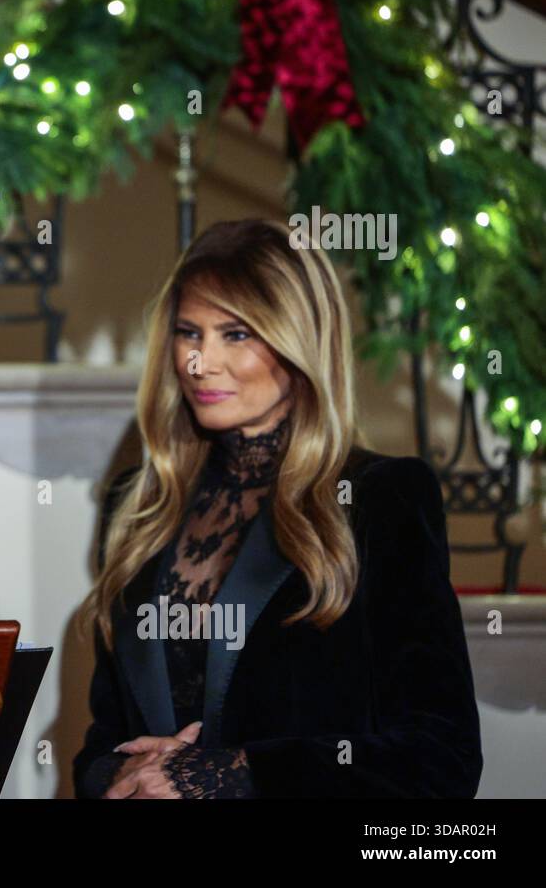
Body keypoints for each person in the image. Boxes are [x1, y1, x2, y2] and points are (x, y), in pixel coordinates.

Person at [73, 219, 481, 798]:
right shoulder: (140, 506)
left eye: (236, 335)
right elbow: (104, 740)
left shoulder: (380, 499)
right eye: (189, 333)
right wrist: (114, 776)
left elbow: (442, 754)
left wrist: (232, 774)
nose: (200, 362)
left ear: (297, 342)